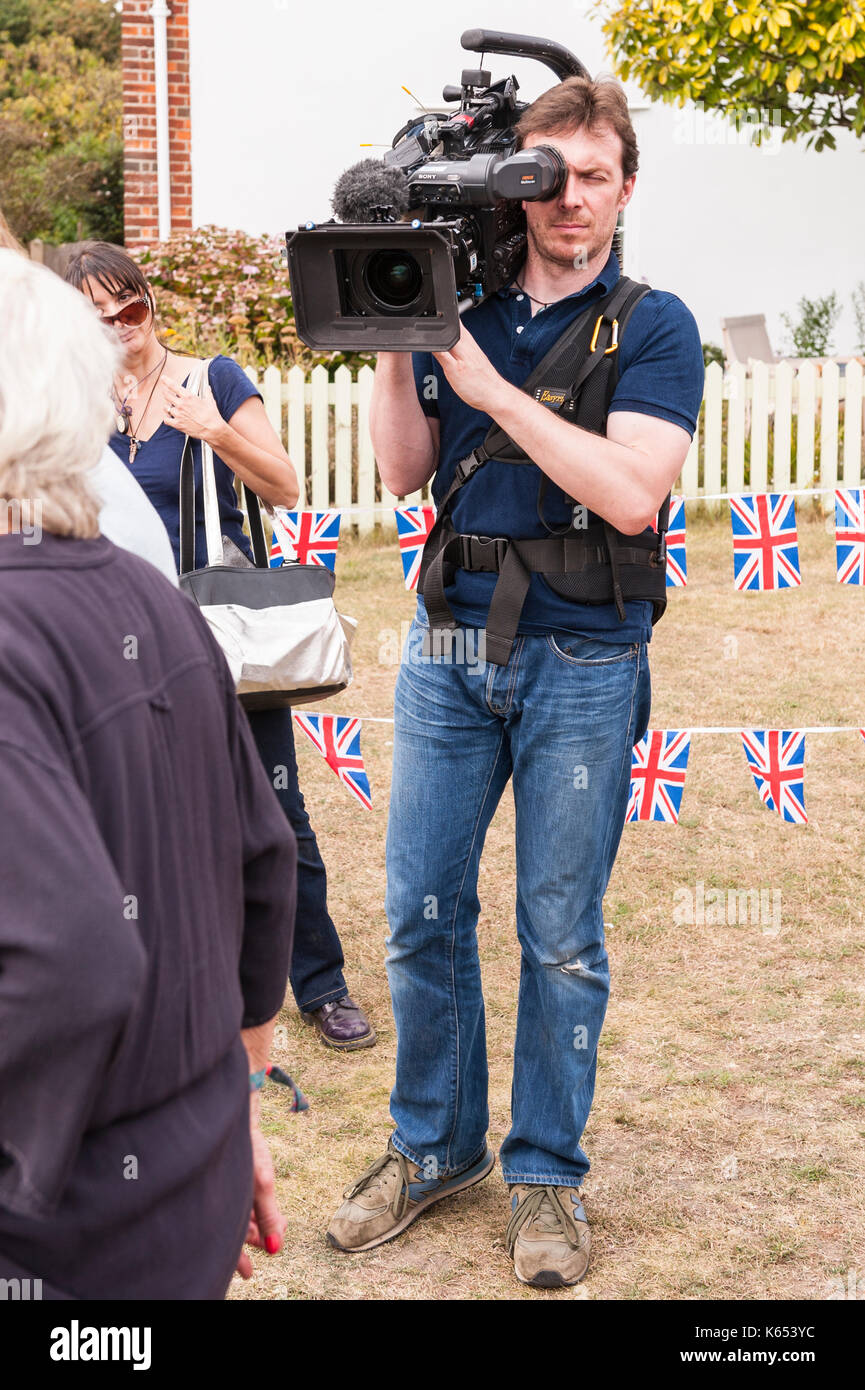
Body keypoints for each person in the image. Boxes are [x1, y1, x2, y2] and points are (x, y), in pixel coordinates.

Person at [327, 76, 705, 1287]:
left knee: (559, 932)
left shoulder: (652, 324)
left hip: (584, 653)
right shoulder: (466, 305)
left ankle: (546, 1172)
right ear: (514, 181)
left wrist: (485, 386)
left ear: (625, 187)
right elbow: (403, 473)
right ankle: (435, 1148)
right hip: (447, 650)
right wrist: (402, 345)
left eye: (595, 177)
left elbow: (633, 491)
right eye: (548, 176)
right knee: (420, 911)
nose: (571, 201)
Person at [0, 249, 297, 1298]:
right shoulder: (149, 595)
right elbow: (266, 870)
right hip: (189, 1177)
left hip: (63, 1234)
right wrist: (236, 1109)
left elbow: (70, 959)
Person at [64, 243, 376, 1051]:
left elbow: (282, 484)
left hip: (224, 631)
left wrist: (209, 430)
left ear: (151, 306)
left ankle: (322, 985)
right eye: (96, 321)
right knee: (127, 813)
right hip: (116, 635)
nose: (119, 331)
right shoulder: (71, 404)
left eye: (128, 310)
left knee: (274, 811)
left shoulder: (215, 379)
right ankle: (161, 982)